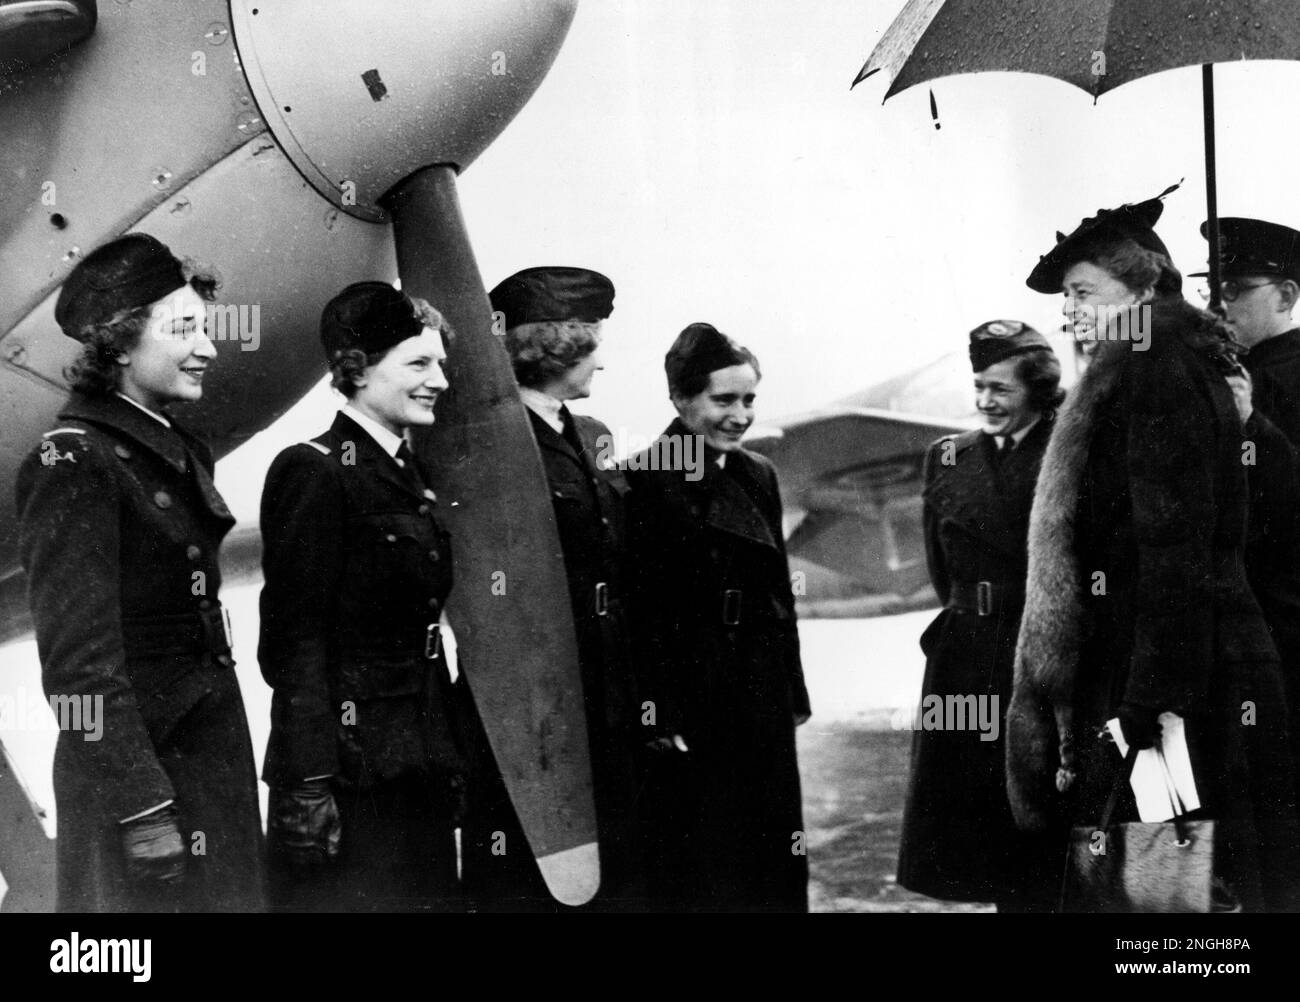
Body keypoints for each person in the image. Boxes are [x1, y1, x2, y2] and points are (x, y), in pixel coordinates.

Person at [1008, 193, 1300, 912]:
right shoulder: (1151, 364)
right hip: (1173, 671)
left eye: (1083, 293)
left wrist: (1147, 703)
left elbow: (1178, 548)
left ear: (1142, 289)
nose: (1070, 312)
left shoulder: (1155, 369)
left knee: (1170, 894)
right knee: (1169, 891)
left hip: (1175, 686)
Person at [15, 233, 264, 911]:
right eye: (184, 329)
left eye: (206, 328)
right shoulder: (71, 461)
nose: (208, 347)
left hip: (207, 769)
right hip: (145, 792)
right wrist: (143, 808)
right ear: (120, 344)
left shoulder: (176, 450)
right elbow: (76, 673)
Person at [258, 281, 467, 911]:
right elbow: (293, 643)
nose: (441, 381)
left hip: (417, 754)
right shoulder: (314, 469)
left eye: (441, 364)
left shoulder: (406, 469)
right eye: (419, 364)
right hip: (352, 771)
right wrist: (307, 783)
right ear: (358, 371)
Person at [458, 266, 643, 912]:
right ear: (556, 347)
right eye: (592, 343)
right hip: (534, 699)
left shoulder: (591, 438)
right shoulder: (498, 445)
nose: (601, 364)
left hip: (605, 692)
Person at [625, 322, 811, 913]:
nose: (740, 415)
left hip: (759, 688)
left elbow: (779, 595)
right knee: (705, 862)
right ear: (681, 399)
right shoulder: (642, 479)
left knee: (774, 860)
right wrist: (656, 713)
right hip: (692, 696)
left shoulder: (759, 474)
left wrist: (792, 691)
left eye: (749, 399)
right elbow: (636, 612)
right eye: (723, 400)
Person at [896, 321, 1064, 912]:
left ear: (1038, 391)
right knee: (983, 829)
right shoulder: (946, 457)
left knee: (1046, 827)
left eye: (1001, 389)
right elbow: (945, 571)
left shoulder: (1071, 450)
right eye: (979, 386)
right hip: (967, 660)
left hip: (1040, 653)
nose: (986, 402)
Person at [1196, 219, 1300, 785]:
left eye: (1235, 289)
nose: (1218, 305)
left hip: (1287, 619)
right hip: (1238, 621)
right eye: (1210, 289)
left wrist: (1250, 426)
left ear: (1285, 295)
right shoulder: (1226, 375)